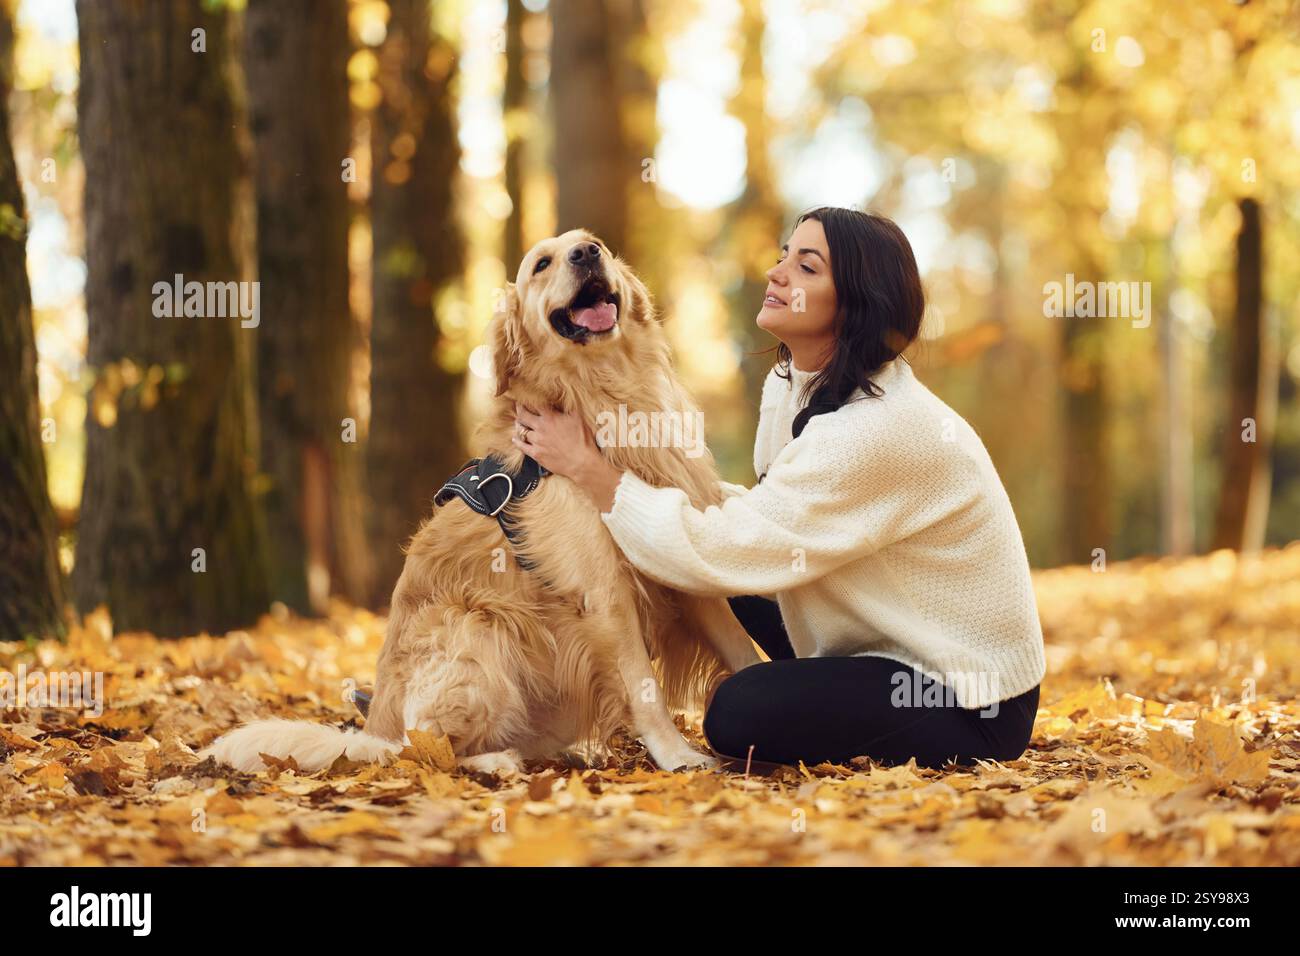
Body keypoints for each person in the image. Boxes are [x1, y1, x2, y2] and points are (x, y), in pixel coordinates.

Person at [512, 206, 1044, 770]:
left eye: (807, 267)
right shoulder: (791, 386)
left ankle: (790, 698)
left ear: (857, 302)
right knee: (716, 567)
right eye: (783, 256)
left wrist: (594, 474)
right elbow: (765, 518)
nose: (777, 273)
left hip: (964, 695)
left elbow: (721, 548)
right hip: (877, 640)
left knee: (740, 714)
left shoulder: (875, 431)